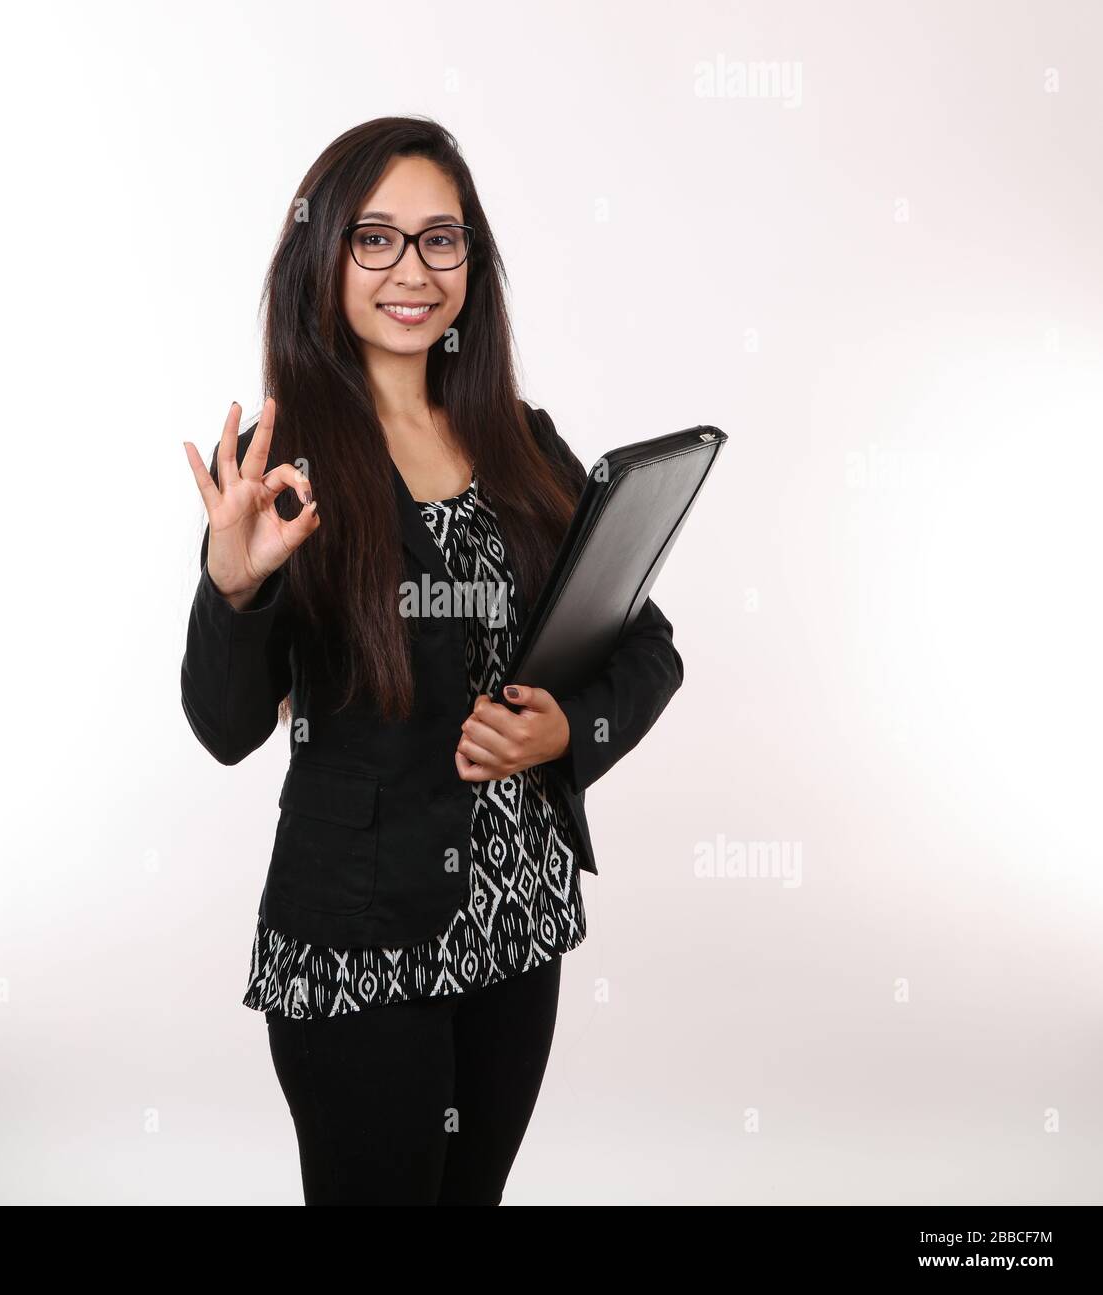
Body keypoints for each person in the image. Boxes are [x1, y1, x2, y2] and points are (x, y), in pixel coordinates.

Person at [180, 116, 684, 1205]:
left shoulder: (519, 437)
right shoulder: (286, 474)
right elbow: (225, 727)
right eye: (375, 239)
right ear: (323, 261)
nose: (413, 270)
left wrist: (567, 731)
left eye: (440, 239)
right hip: (362, 942)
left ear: (472, 261)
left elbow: (646, 646)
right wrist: (235, 583)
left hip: (521, 917)